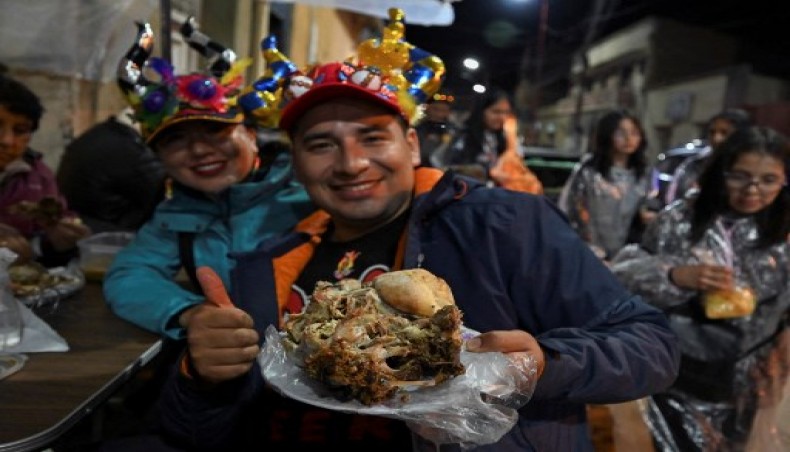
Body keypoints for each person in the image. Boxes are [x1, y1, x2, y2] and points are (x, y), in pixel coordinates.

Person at [154, 9, 679, 451]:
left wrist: (548, 363)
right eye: (320, 144)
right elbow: (192, 433)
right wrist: (201, 378)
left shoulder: (503, 224)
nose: (350, 163)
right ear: (295, 161)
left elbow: (651, 345)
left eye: (371, 137)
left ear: (411, 143)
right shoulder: (269, 262)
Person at [102, 20, 314, 339]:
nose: (199, 150)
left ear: (252, 134)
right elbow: (129, 275)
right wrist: (190, 313)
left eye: (215, 130)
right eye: (174, 140)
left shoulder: (312, 190)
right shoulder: (178, 213)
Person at [610, 126, 790, 451]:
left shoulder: (784, 228)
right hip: (679, 369)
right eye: (740, 176)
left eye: (768, 180)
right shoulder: (681, 219)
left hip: (750, 376)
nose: (753, 190)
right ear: (721, 173)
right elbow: (623, 273)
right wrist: (676, 275)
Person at [0, 74, 91, 267]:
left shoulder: (39, 178)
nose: (7, 141)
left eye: (20, 130)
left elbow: (38, 247)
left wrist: (58, 242)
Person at [558, 109, 654, 260]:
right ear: (607, 135)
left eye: (635, 133)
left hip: (628, 256)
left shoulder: (643, 174)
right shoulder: (589, 171)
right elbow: (574, 211)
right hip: (589, 254)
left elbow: (649, 206)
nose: (629, 139)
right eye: (621, 133)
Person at [56, 107, 166, 233]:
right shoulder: (132, 150)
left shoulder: (102, 133)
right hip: (110, 234)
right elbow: (167, 191)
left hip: (84, 223)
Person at [440, 88, 542, 194]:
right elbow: (449, 168)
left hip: (496, 198)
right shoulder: (463, 137)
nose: (502, 117)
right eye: (496, 112)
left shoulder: (504, 138)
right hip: (469, 197)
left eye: (506, 112)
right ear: (482, 111)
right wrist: (488, 173)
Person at [664, 108, 752, 205]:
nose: (717, 138)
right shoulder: (694, 164)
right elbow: (672, 198)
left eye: (724, 133)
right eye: (712, 132)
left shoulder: (751, 167)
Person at [414, 90, 458, 167]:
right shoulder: (417, 127)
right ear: (427, 108)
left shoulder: (453, 132)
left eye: (444, 111)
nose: (439, 114)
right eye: (435, 109)